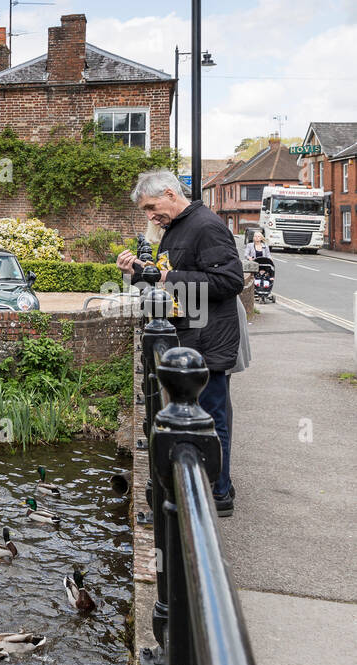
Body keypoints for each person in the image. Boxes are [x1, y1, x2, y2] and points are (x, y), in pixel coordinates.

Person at [118, 169, 242, 516]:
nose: (149, 215)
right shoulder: (177, 228)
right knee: (203, 416)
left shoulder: (205, 225)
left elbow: (229, 281)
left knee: (212, 418)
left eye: (151, 206)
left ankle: (218, 494)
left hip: (208, 341)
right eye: (144, 210)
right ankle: (215, 484)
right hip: (190, 336)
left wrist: (165, 275)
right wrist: (140, 271)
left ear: (171, 194)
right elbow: (171, 278)